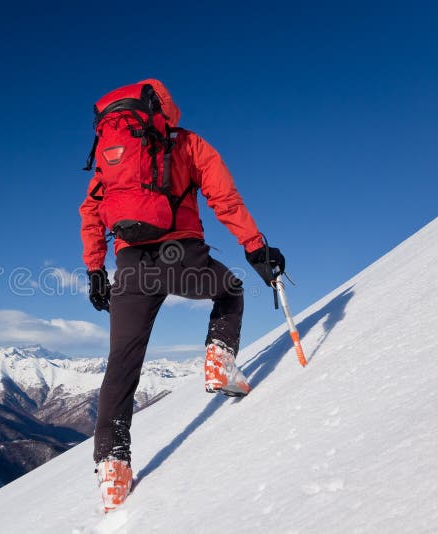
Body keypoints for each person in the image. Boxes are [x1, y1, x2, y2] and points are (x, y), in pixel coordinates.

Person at [79, 79, 285, 511]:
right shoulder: (188, 144)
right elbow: (223, 198)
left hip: (130, 265)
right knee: (229, 290)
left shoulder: (109, 159)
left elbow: (92, 212)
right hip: (181, 255)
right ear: (164, 108)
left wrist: (95, 269)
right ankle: (219, 363)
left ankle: (112, 467)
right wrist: (255, 247)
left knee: (122, 364)